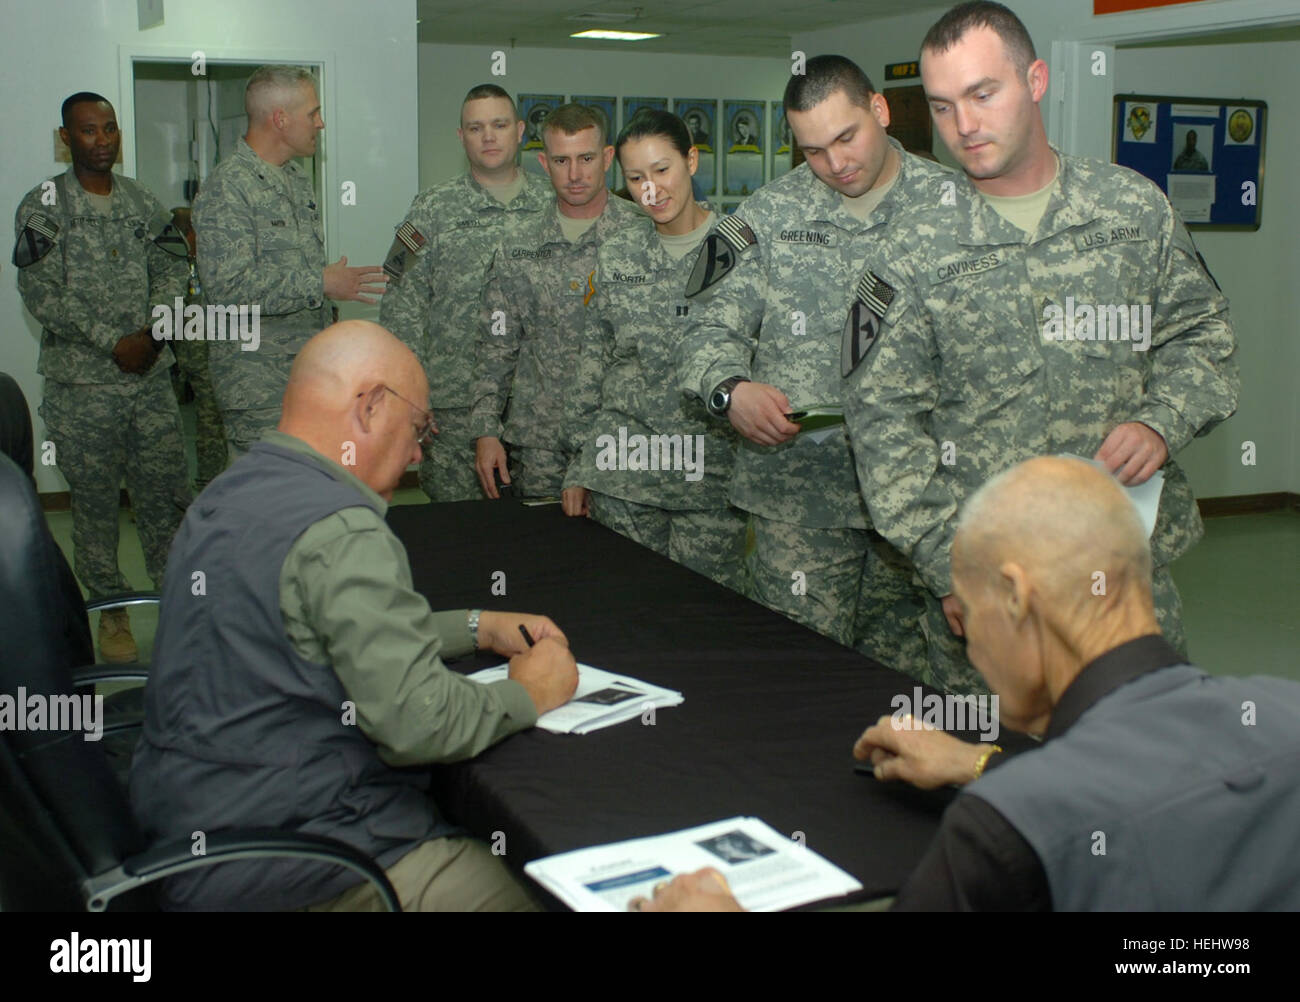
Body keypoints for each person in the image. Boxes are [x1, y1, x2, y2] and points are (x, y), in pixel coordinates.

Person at [634, 457, 1300, 911]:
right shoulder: (1283, 717)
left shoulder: (1004, 832)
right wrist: (982, 761)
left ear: (1014, 596)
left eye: (967, 613)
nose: (968, 644)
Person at [839, 1, 1239, 694]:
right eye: (941, 107)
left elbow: (1203, 334)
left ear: (1036, 80)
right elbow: (881, 424)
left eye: (982, 94)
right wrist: (946, 566)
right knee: (996, 783)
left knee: (1145, 769)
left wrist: (1160, 422)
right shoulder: (908, 249)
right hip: (992, 589)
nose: (963, 126)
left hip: (1122, 578)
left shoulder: (1130, 210)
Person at [129, 321, 580, 911]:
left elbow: (308, 632)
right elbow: (421, 725)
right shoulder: (342, 527)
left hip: (196, 830)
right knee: (548, 889)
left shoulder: (231, 489)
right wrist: (530, 694)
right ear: (369, 406)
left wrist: (475, 625)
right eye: (420, 428)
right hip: (304, 862)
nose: (420, 452)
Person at [676, 55, 947, 675]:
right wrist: (729, 390)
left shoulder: (954, 208)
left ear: (878, 110)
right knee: (797, 676)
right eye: (813, 150)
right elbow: (702, 323)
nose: (835, 163)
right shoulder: (766, 215)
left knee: (910, 680)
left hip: (925, 500)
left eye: (846, 138)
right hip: (799, 496)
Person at [14, 92, 192, 664]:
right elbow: (38, 291)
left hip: (150, 381)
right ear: (65, 139)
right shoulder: (43, 206)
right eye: (88, 131)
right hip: (83, 386)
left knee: (165, 497)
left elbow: (173, 267)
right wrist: (112, 340)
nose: (102, 140)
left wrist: (154, 331)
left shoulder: (144, 201)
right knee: (92, 505)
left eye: (109, 128)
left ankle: (177, 609)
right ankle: (110, 614)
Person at [561, 110, 747, 591]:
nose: (651, 190)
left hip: (711, 479)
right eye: (636, 177)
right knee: (627, 612)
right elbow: (594, 359)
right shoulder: (618, 254)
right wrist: (579, 463)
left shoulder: (741, 252)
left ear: (691, 160)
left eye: (661, 170)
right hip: (624, 472)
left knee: (705, 621)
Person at [194, 65, 385, 458]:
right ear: (280, 119)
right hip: (258, 385)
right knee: (265, 502)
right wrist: (321, 283)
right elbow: (227, 288)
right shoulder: (228, 187)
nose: (321, 124)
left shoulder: (296, 178)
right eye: (313, 113)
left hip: (307, 375)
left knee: (305, 496)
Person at [380, 84, 552, 502]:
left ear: (520, 131)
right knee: (460, 533)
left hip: (539, 403)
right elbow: (402, 307)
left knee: (543, 532)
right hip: (454, 404)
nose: (488, 136)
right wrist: (410, 394)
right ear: (461, 138)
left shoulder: (554, 205)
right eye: (476, 128)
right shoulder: (431, 209)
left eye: (499, 125)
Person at [471, 103, 645, 500]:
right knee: (545, 554)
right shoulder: (518, 245)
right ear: (543, 163)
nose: (575, 174)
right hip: (539, 441)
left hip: (622, 436)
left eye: (586, 158)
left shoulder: (641, 236)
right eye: (561, 160)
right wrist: (485, 430)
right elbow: (495, 345)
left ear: (607, 158)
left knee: (622, 556)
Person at [168, 206, 228, 488]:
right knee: (184, 421)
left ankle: (210, 481)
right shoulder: (173, 263)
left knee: (211, 419)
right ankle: (189, 485)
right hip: (182, 355)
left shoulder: (211, 262)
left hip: (210, 354)